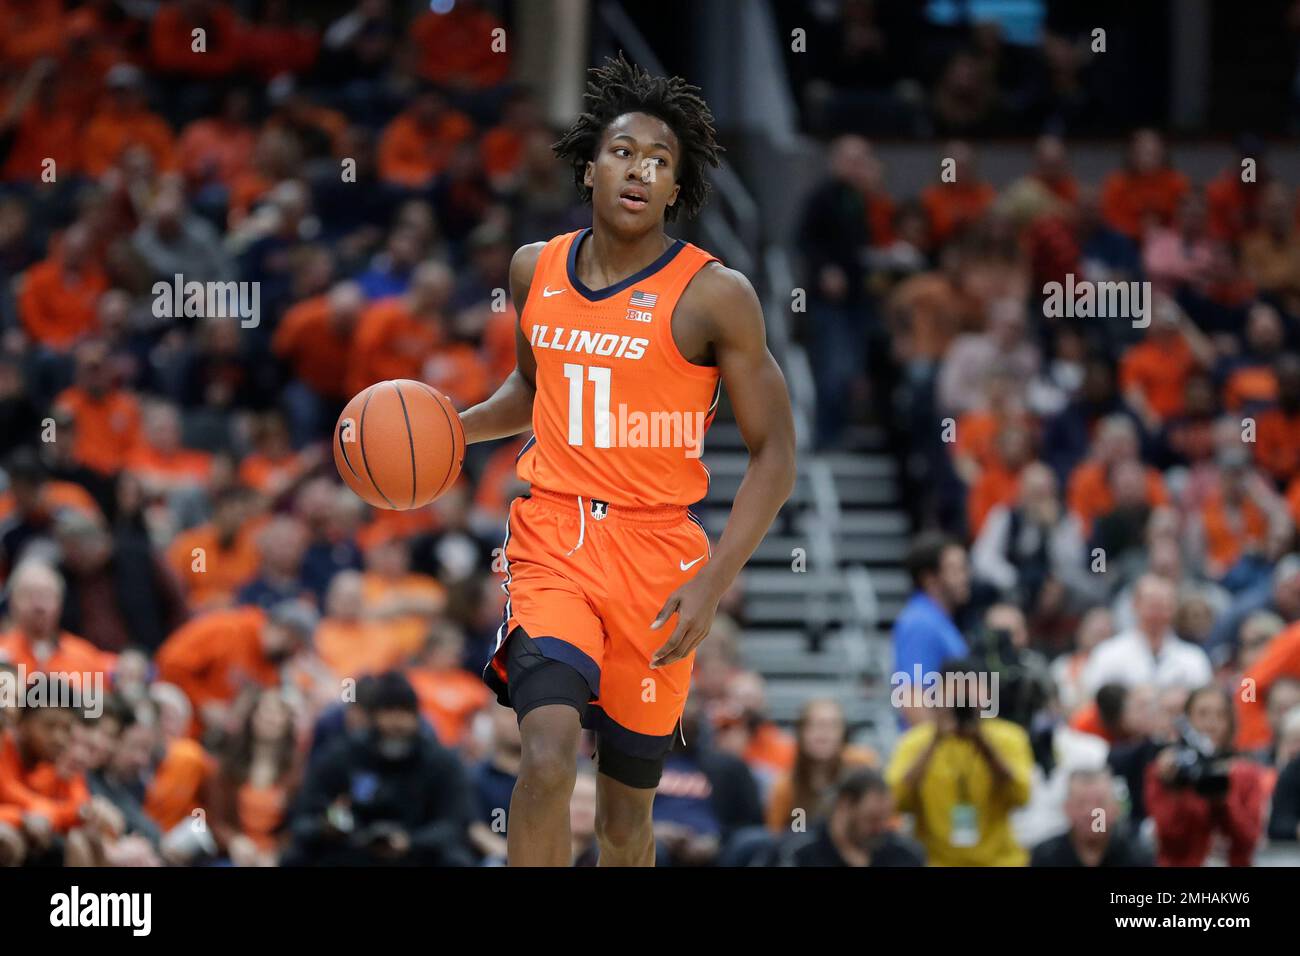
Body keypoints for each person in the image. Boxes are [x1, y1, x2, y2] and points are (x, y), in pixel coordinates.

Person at [457, 54, 797, 867]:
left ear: (677, 188)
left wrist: (713, 584)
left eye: (660, 160)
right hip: (554, 544)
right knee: (543, 757)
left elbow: (776, 452)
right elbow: (533, 392)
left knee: (623, 823)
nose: (640, 169)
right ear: (588, 167)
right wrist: (450, 429)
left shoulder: (716, 294)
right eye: (622, 151)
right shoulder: (535, 268)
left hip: (658, 559)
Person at [284, 671, 476, 866]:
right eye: (389, 711)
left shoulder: (440, 762)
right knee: (296, 856)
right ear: (373, 717)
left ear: (417, 717)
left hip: (416, 852)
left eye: (405, 712)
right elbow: (304, 816)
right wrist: (330, 825)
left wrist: (410, 841)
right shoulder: (344, 754)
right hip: (353, 849)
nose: (396, 722)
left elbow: (455, 823)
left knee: (456, 859)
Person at [885, 660, 1034, 866]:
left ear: (987, 696)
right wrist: (935, 739)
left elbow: (1021, 796)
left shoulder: (1009, 738)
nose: (961, 706)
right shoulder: (916, 742)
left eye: (968, 698)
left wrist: (982, 742)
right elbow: (895, 801)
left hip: (1000, 861)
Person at [1145, 686, 1267, 867]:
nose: (1212, 723)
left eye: (1220, 715)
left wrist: (1224, 800)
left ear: (1230, 723)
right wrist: (1178, 785)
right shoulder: (1166, 769)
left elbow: (1249, 839)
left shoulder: (1246, 773)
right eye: (1202, 714)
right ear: (1187, 721)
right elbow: (1167, 837)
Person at [1082, 574, 1212, 695]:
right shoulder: (1107, 654)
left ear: (1174, 608)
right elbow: (1092, 702)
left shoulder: (1193, 659)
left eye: (1164, 606)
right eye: (1151, 606)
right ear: (1135, 605)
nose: (1157, 614)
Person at [892, 533, 970, 725]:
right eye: (955, 570)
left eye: (965, 569)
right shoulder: (920, 623)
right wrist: (936, 752)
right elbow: (912, 696)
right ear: (930, 579)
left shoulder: (938, 620)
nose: (965, 578)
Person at [776, 767, 923, 867]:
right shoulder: (801, 853)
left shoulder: (904, 854)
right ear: (844, 805)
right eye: (872, 819)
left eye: (885, 819)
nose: (880, 828)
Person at [1030, 768, 1152, 866]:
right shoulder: (1045, 855)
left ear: (1116, 809)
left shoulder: (1137, 854)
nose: (1090, 813)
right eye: (1081, 803)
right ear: (1067, 808)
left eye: (1099, 803)